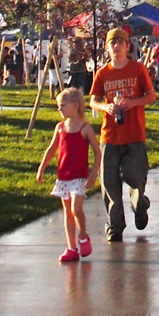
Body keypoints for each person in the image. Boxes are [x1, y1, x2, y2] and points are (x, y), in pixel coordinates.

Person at [88, 28, 157, 243]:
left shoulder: (137, 70)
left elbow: (151, 96)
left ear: (128, 47)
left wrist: (133, 103)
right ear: (107, 48)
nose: (116, 46)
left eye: (120, 43)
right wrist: (105, 107)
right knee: (109, 183)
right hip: (109, 136)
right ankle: (115, 226)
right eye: (112, 43)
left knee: (136, 177)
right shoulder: (102, 73)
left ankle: (139, 205)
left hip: (134, 134)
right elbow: (93, 100)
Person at [36, 87, 101, 263]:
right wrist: (42, 168)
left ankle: (83, 236)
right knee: (67, 212)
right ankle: (71, 247)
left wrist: (93, 174)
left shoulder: (85, 128)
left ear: (74, 106)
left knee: (76, 208)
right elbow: (52, 149)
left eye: (62, 106)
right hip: (64, 175)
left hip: (79, 176)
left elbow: (97, 152)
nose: (60, 109)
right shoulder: (60, 128)